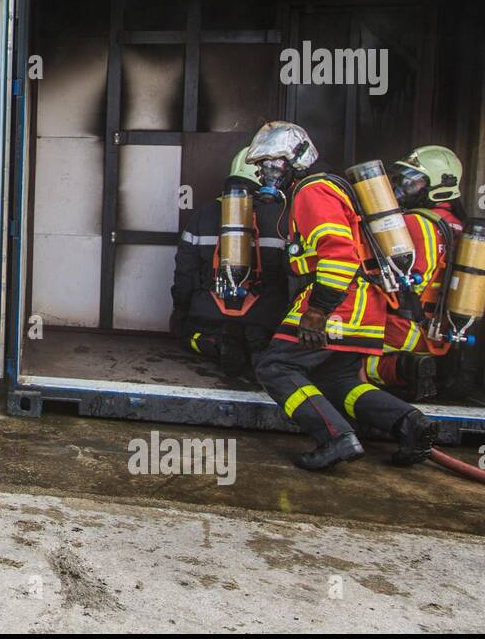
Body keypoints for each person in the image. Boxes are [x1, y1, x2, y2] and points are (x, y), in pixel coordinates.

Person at [245, 122, 439, 471]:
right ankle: (410, 424)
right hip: (366, 305)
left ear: (294, 160)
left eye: (269, 163)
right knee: (339, 381)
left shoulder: (313, 191)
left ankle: (335, 438)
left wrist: (318, 309)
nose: (262, 172)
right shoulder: (328, 188)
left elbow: (338, 254)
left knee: (275, 366)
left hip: (340, 302)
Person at [170, 147, 288, 377]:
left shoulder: (204, 213)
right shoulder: (282, 216)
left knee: (185, 333)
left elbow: (184, 270)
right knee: (270, 339)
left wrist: (180, 308)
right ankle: (258, 349)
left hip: (210, 314)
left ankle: (214, 344)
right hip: (265, 317)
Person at [363, 145, 467, 400]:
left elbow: (390, 279)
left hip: (405, 328)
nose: (403, 189)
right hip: (440, 332)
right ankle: (424, 369)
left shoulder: (413, 222)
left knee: (344, 358)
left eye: (413, 183)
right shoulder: (457, 225)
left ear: (442, 185)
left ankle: (404, 368)